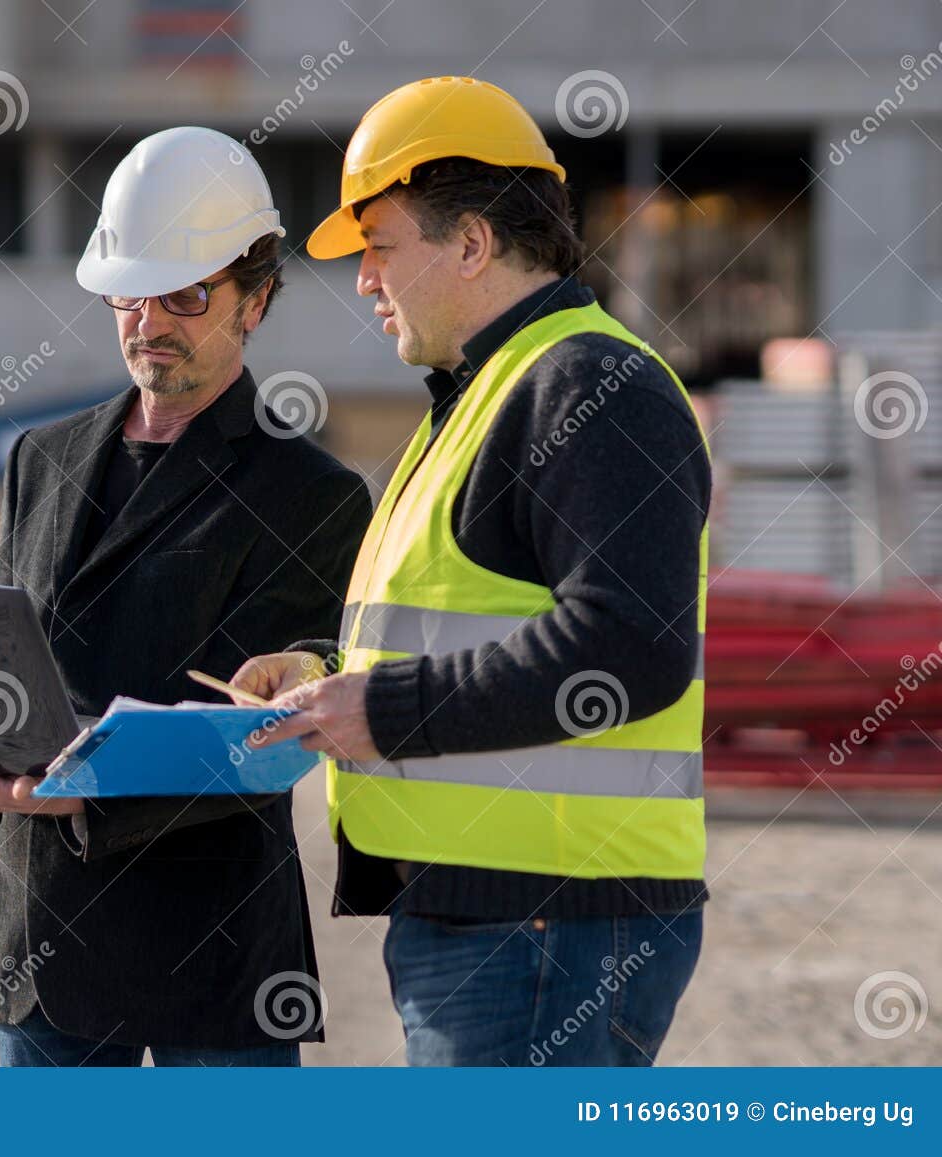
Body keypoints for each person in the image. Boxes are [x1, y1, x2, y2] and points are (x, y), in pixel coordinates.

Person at [233, 77, 711, 1067]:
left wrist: (389, 708)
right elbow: (466, 616)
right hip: (498, 918)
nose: (364, 277)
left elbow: (629, 644)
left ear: (471, 242)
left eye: (379, 243)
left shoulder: (587, 385)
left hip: (548, 925)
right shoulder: (491, 389)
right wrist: (328, 673)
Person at [0, 126, 372, 1066]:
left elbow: (254, 735)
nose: (149, 321)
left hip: (206, 950)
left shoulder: (310, 495)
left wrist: (56, 795)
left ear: (255, 299)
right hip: (42, 941)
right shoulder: (42, 461)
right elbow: (3, 655)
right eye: (131, 295)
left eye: (186, 295)